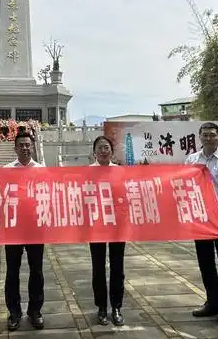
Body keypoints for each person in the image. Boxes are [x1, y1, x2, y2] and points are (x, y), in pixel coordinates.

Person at [184, 122, 218, 327]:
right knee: (205, 262)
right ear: (200, 137)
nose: (208, 138)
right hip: (200, 215)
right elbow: (185, 187)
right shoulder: (191, 160)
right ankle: (212, 303)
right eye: (205, 135)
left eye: (212, 135)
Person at [3, 132, 46, 331]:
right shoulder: (6, 170)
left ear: (33, 147)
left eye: (28, 145)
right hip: (13, 227)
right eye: (21, 145)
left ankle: (35, 310)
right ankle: (14, 311)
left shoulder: (41, 170)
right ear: (15, 148)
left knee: (36, 270)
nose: (25, 148)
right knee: (12, 271)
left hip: (35, 227)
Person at [88, 136, 126, 326]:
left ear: (111, 151)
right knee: (98, 267)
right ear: (94, 152)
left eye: (107, 147)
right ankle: (102, 307)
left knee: (118, 267)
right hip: (96, 225)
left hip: (117, 225)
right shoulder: (88, 172)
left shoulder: (119, 171)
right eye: (100, 148)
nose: (104, 151)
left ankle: (117, 306)